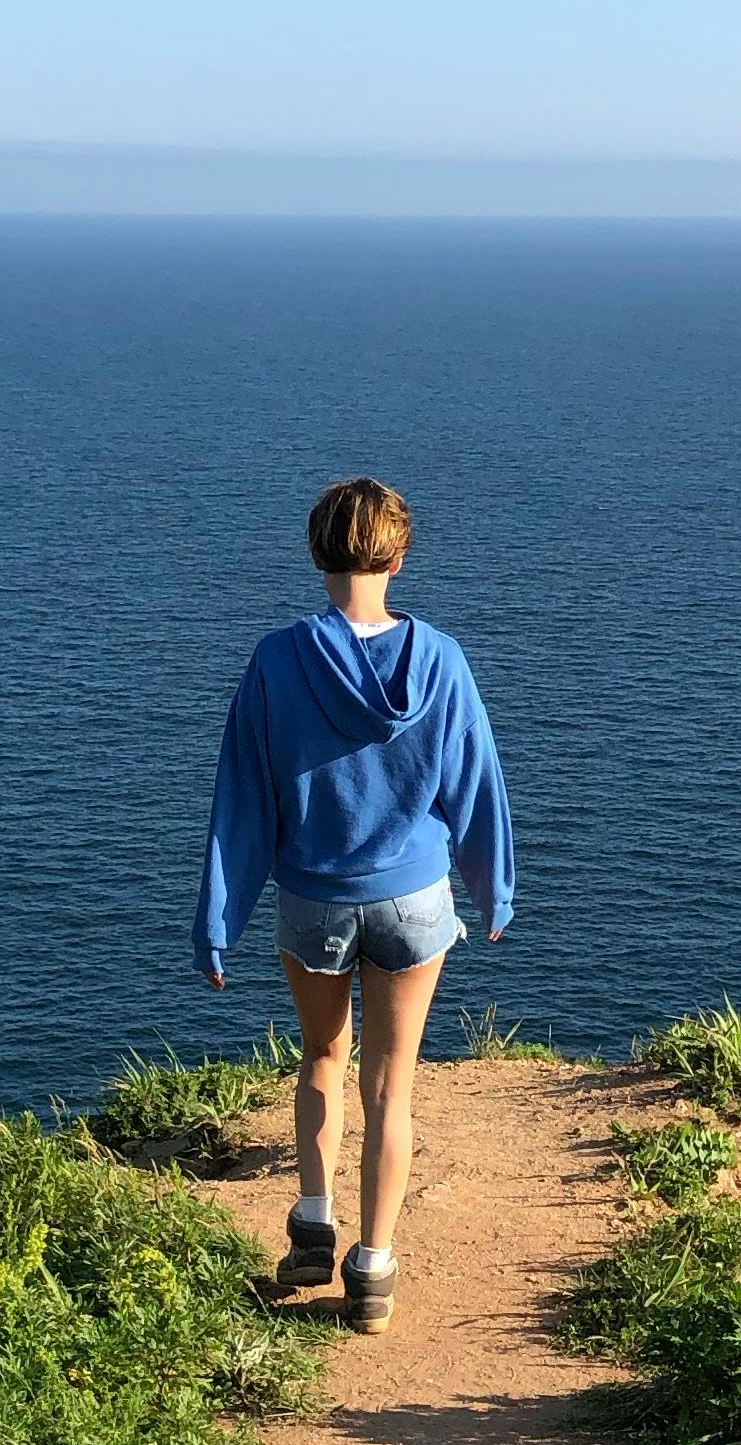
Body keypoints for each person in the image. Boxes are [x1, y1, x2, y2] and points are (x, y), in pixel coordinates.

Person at [195, 475, 516, 1331]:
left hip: (312, 899)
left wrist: (218, 921)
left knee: (321, 1059)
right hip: (414, 898)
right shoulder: (441, 660)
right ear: (399, 557)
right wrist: (493, 889)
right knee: (392, 1087)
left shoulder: (276, 659)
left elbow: (244, 801)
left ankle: (312, 1219)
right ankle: (371, 1273)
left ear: (317, 554)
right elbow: (475, 785)